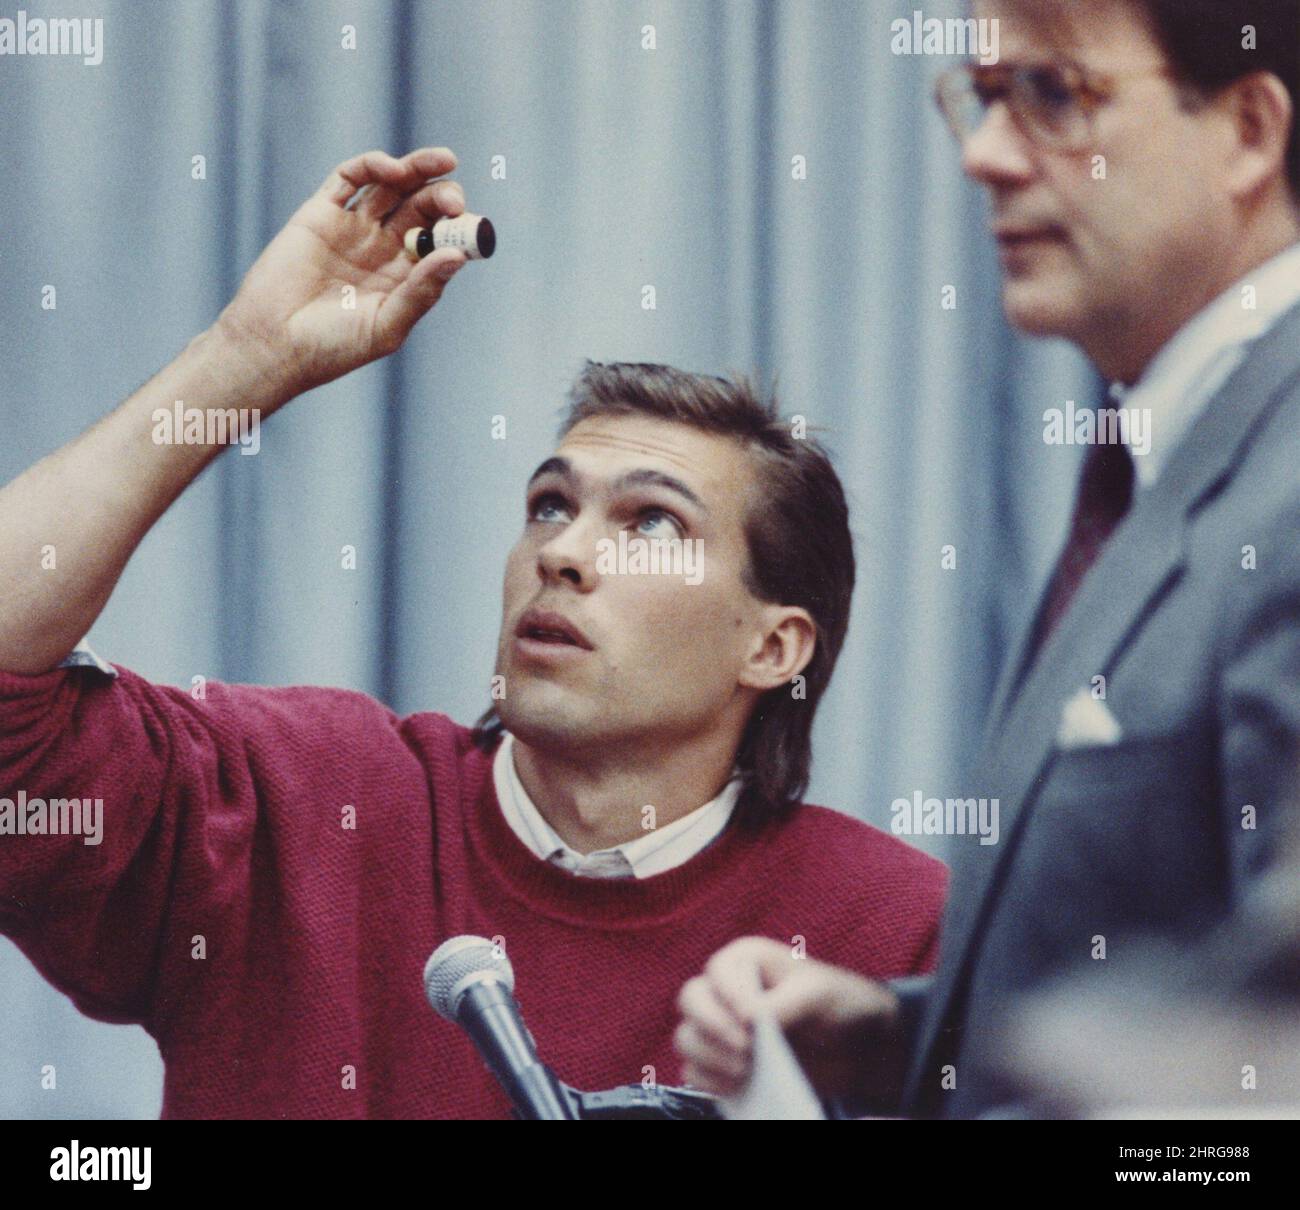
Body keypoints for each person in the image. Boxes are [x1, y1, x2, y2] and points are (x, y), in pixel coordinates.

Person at [0, 148, 946, 1118]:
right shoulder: (303, 800)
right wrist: (245, 356)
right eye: (548, 505)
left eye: (650, 522)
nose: (563, 552)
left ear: (773, 648)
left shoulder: (888, 933)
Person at [676, 0, 1300, 1119]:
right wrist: (900, 1041)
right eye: (984, 96)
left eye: (1056, 95)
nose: (984, 153)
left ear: (1249, 130)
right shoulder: (1162, 463)